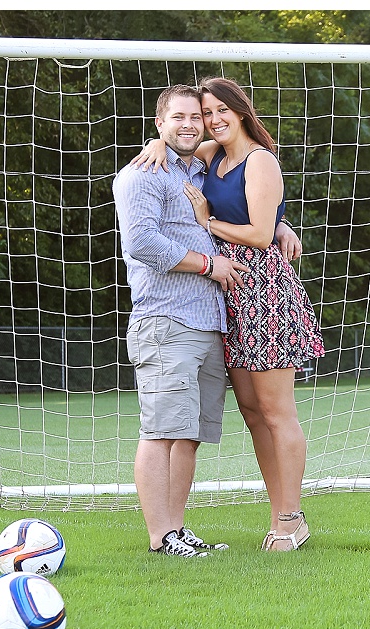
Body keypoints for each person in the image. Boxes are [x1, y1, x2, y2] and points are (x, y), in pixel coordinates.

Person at [131, 77, 325, 552]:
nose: (212, 119)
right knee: (253, 413)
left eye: (221, 110)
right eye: (206, 112)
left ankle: (290, 519)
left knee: (277, 412)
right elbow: (174, 145)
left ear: (240, 111)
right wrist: (155, 142)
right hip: (225, 296)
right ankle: (276, 514)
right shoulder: (209, 155)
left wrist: (211, 222)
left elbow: (259, 233)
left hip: (264, 292)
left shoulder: (260, 160)